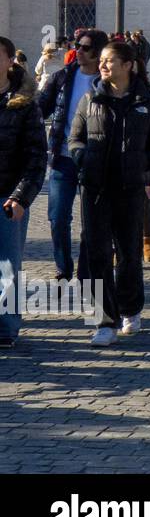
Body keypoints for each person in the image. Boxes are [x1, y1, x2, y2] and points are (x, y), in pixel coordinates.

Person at [68, 40, 150, 346]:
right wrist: (83, 157)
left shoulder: (148, 100)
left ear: (128, 65)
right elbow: (75, 138)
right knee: (97, 254)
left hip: (130, 187)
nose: (103, 65)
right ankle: (103, 321)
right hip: (95, 187)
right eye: (102, 60)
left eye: (110, 60)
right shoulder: (91, 98)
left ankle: (130, 308)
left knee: (128, 252)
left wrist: (145, 163)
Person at [38, 28, 109, 281]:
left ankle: (85, 272)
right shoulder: (63, 77)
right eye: (77, 45)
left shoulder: (107, 82)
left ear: (99, 53)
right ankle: (62, 267)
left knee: (91, 222)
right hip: (62, 159)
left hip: (96, 161)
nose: (78, 51)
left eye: (85, 48)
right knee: (57, 218)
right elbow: (40, 110)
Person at [1, 36, 47, 349]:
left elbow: (36, 156)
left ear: (9, 62)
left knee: (6, 264)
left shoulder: (25, 104)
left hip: (7, 195)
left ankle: (5, 328)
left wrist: (21, 196)